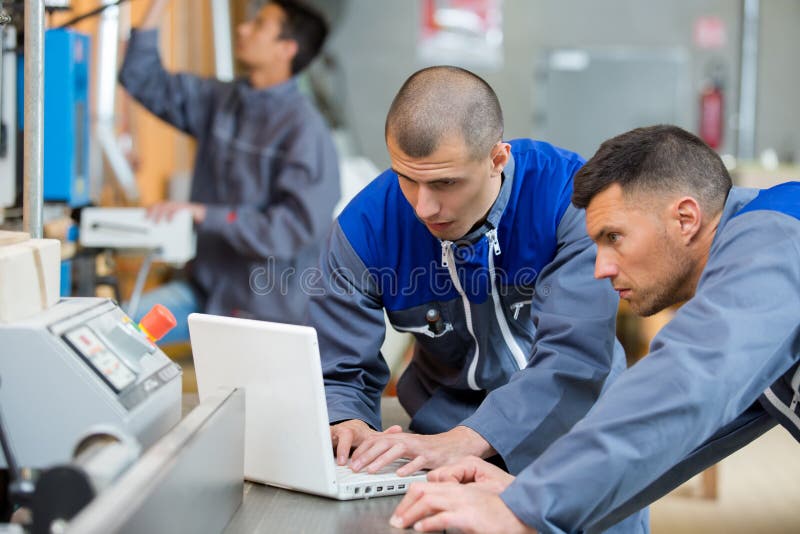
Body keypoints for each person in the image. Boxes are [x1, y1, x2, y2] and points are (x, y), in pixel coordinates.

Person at [390, 124, 800, 533]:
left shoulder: (775, 236)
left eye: (614, 237)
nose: (600, 268)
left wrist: (524, 507)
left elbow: (682, 384)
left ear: (685, 218)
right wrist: (529, 493)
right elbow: (675, 439)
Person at [309, 66, 648, 532]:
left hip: (581, 429)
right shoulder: (362, 229)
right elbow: (340, 371)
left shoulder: (571, 199)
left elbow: (574, 357)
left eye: (445, 183)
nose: (423, 207)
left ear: (496, 159)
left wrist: (472, 437)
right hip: (442, 435)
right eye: (407, 178)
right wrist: (346, 420)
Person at [118, 0, 340, 341]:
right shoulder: (221, 101)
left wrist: (206, 215)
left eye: (259, 25)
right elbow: (141, 76)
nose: (243, 28)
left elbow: (291, 229)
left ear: (286, 49)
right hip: (204, 294)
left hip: (264, 315)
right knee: (114, 331)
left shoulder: (306, 132)